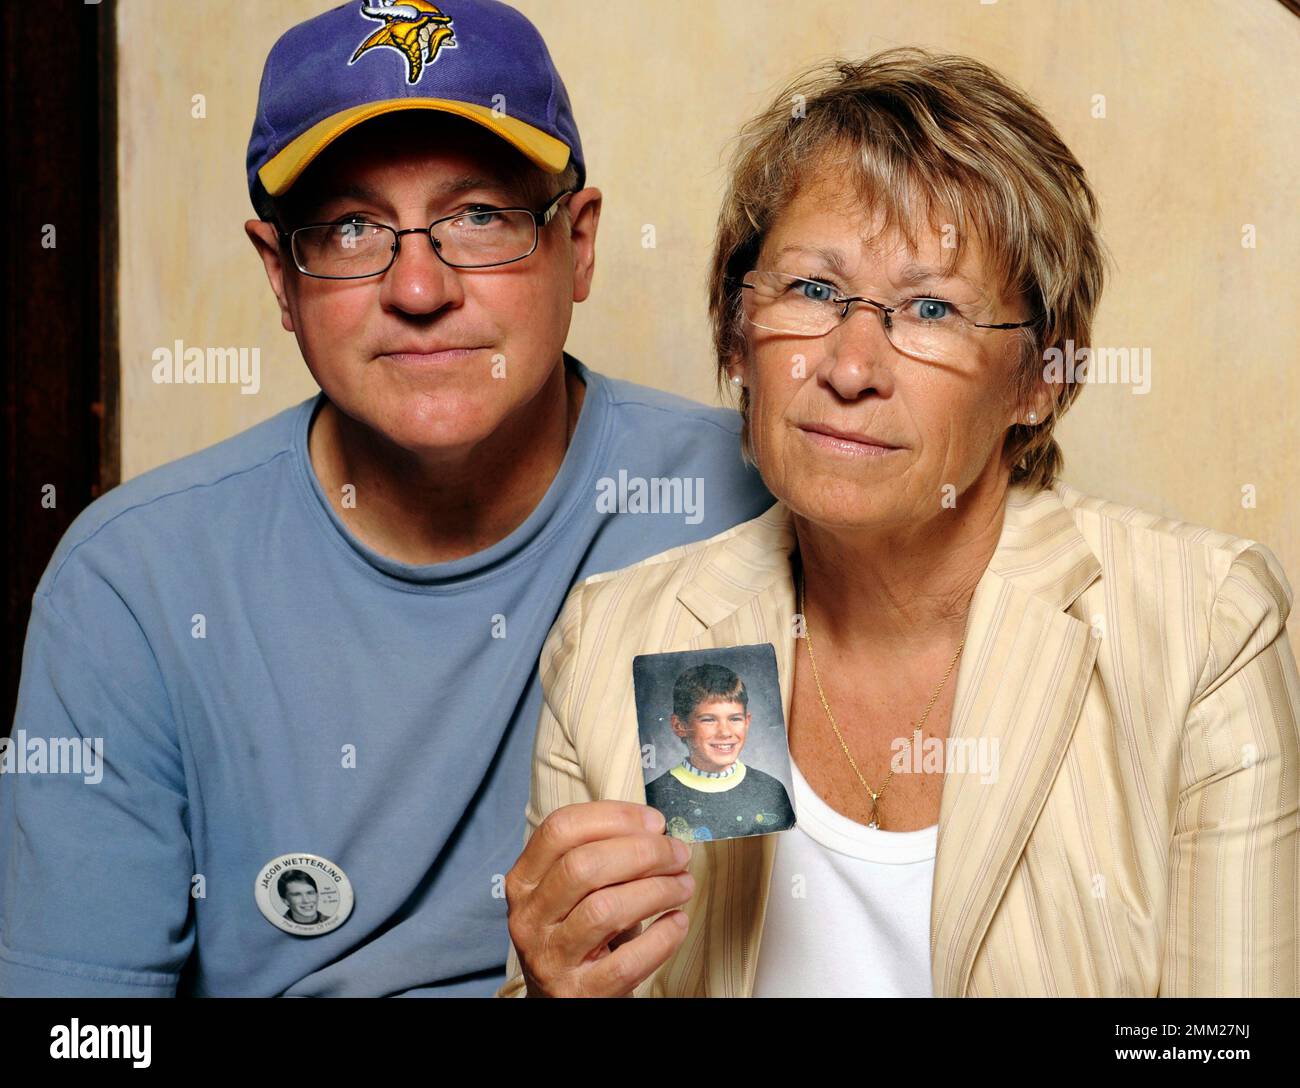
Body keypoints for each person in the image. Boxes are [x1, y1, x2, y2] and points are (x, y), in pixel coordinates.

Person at [0, 0, 771, 997]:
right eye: (353, 227)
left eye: (479, 216)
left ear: (577, 245)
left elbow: (763, 930)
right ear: (280, 277)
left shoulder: (735, 494)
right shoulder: (133, 584)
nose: (418, 286)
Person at [500, 48, 1300, 998]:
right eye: (812, 291)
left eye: (930, 308)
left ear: (1041, 379)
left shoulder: (1203, 630)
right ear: (736, 336)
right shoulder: (616, 640)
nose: (850, 366)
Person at [644, 663, 794, 842]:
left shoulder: (772, 790)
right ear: (680, 726)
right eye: (709, 720)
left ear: (747, 722)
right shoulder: (654, 796)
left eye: (735, 718)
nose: (725, 732)